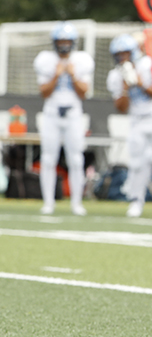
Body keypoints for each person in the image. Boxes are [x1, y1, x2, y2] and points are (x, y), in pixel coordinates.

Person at [33, 21, 94, 216]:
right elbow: (44, 91)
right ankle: (48, 203)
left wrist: (73, 75)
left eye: (67, 40)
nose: (64, 44)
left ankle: (76, 203)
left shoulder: (81, 60)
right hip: (51, 113)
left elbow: (84, 92)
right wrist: (57, 76)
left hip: (74, 113)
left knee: (76, 159)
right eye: (61, 40)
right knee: (48, 158)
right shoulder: (46, 60)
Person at [107, 33, 152, 218]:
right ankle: (136, 199)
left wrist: (139, 82)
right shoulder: (115, 75)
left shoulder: (147, 65)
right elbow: (121, 107)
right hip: (136, 119)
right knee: (137, 161)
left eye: (126, 53)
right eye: (119, 54)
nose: (123, 58)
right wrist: (126, 87)